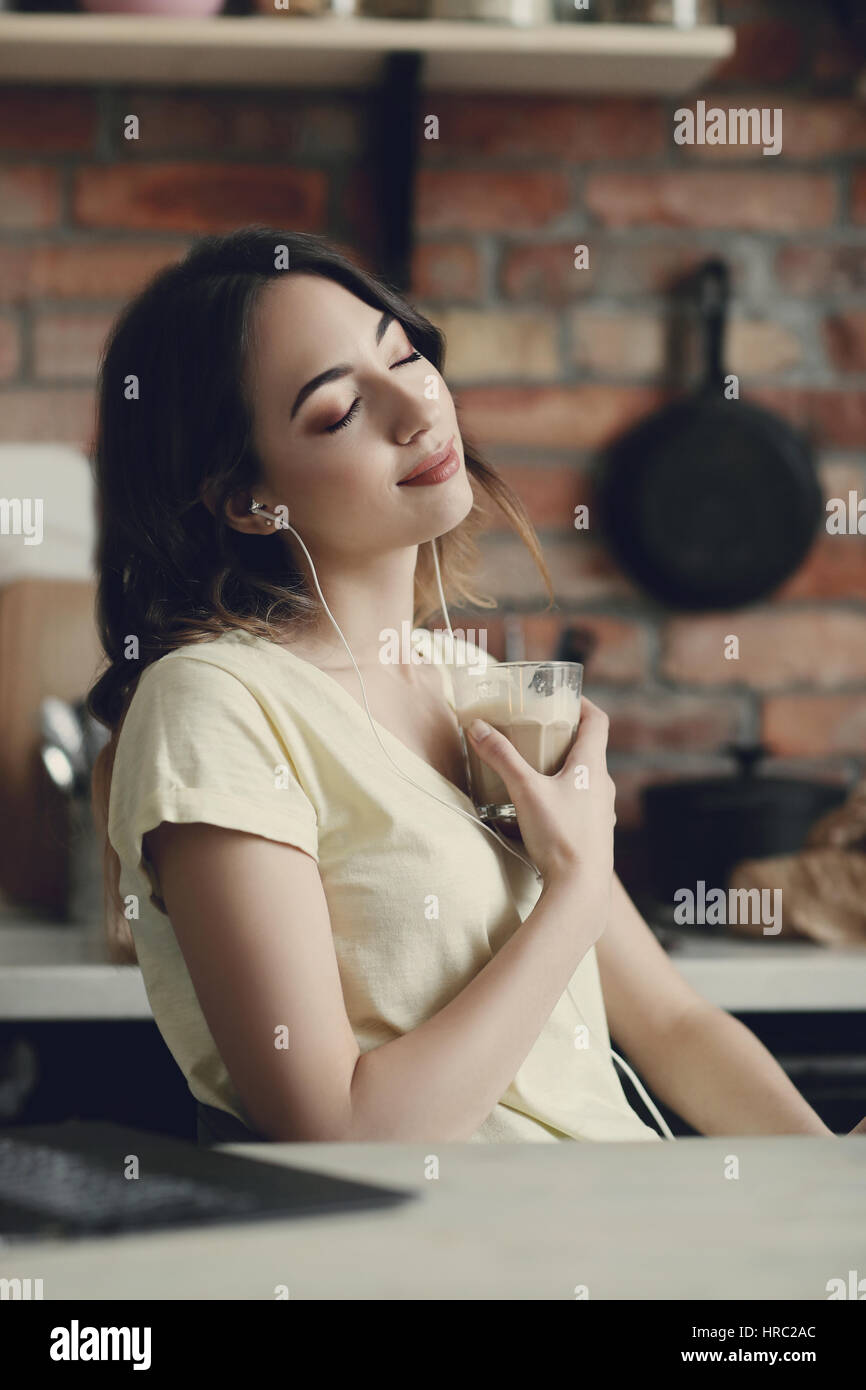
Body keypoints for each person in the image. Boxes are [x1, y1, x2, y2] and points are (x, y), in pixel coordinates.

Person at [89, 226, 844, 1146]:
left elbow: (675, 1028)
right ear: (249, 501)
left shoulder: (478, 687)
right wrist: (572, 892)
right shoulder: (213, 703)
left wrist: (830, 1173)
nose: (415, 407)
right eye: (338, 412)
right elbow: (336, 1129)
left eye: (403, 355)